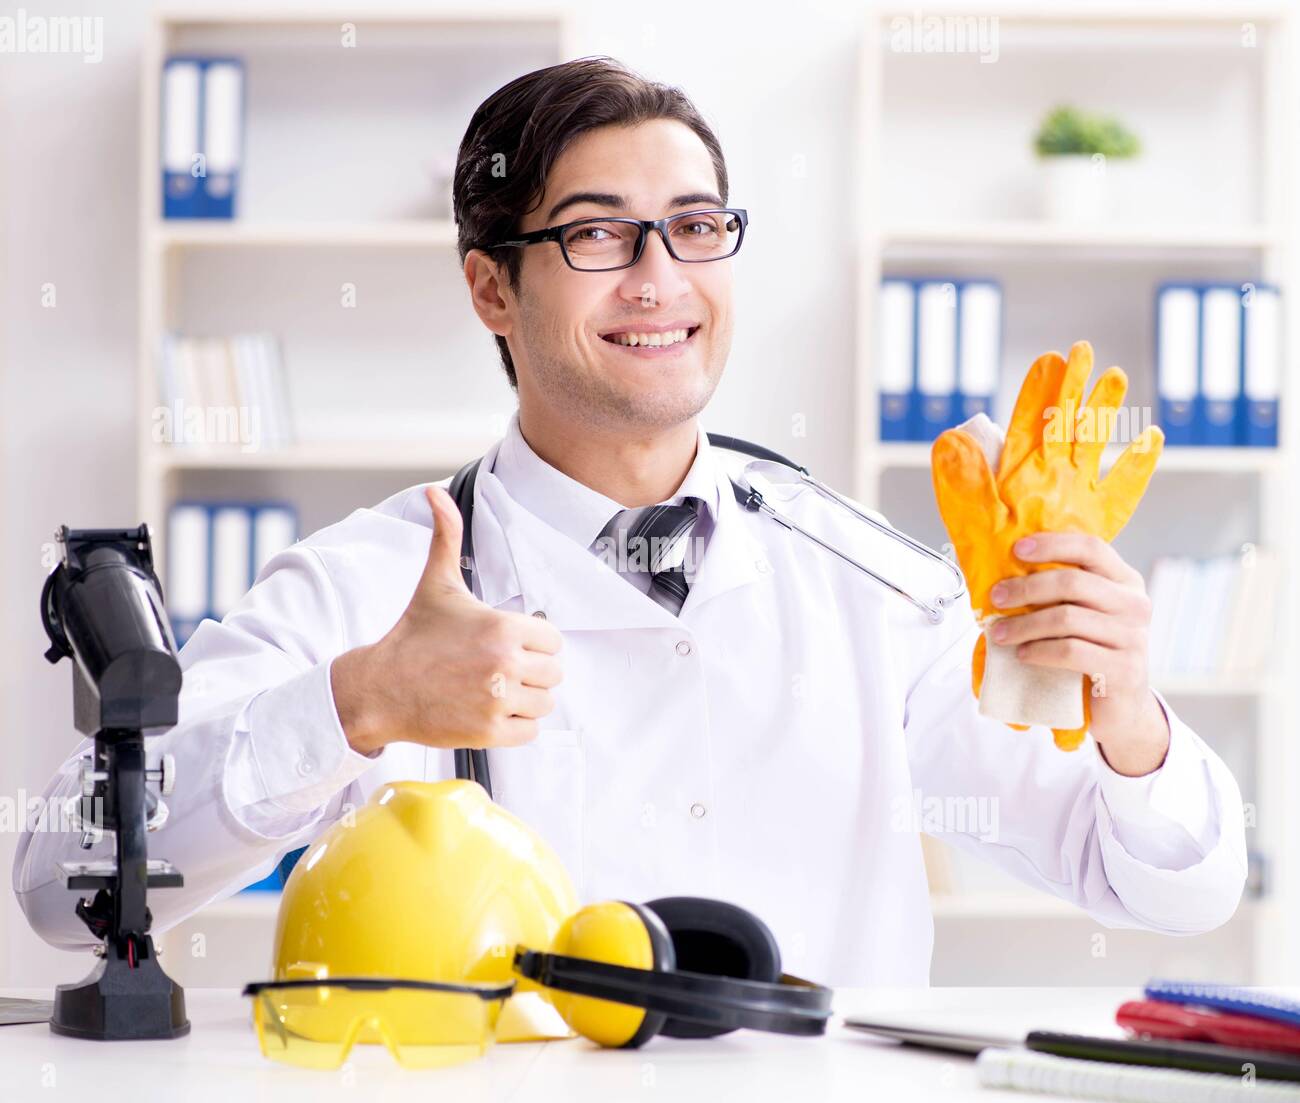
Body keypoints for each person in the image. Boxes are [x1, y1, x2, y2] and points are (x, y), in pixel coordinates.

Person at [14, 57, 1246, 985]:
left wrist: (1129, 716)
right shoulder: (371, 588)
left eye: (697, 226)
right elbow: (62, 883)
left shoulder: (872, 579)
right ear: (491, 284)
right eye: (599, 231)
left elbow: (1165, 891)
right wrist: (353, 705)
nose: (661, 276)